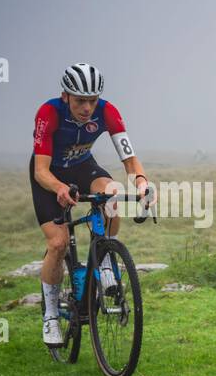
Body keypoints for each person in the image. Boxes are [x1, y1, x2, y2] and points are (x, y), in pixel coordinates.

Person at [31, 64, 152, 346]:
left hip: (82, 167)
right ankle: (50, 315)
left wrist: (143, 182)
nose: (87, 108)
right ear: (65, 96)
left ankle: (107, 257)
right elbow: (40, 170)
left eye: (92, 101)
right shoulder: (49, 113)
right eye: (79, 101)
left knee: (112, 192)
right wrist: (59, 187)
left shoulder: (107, 111)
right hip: (49, 175)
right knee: (58, 244)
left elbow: (130, 159)